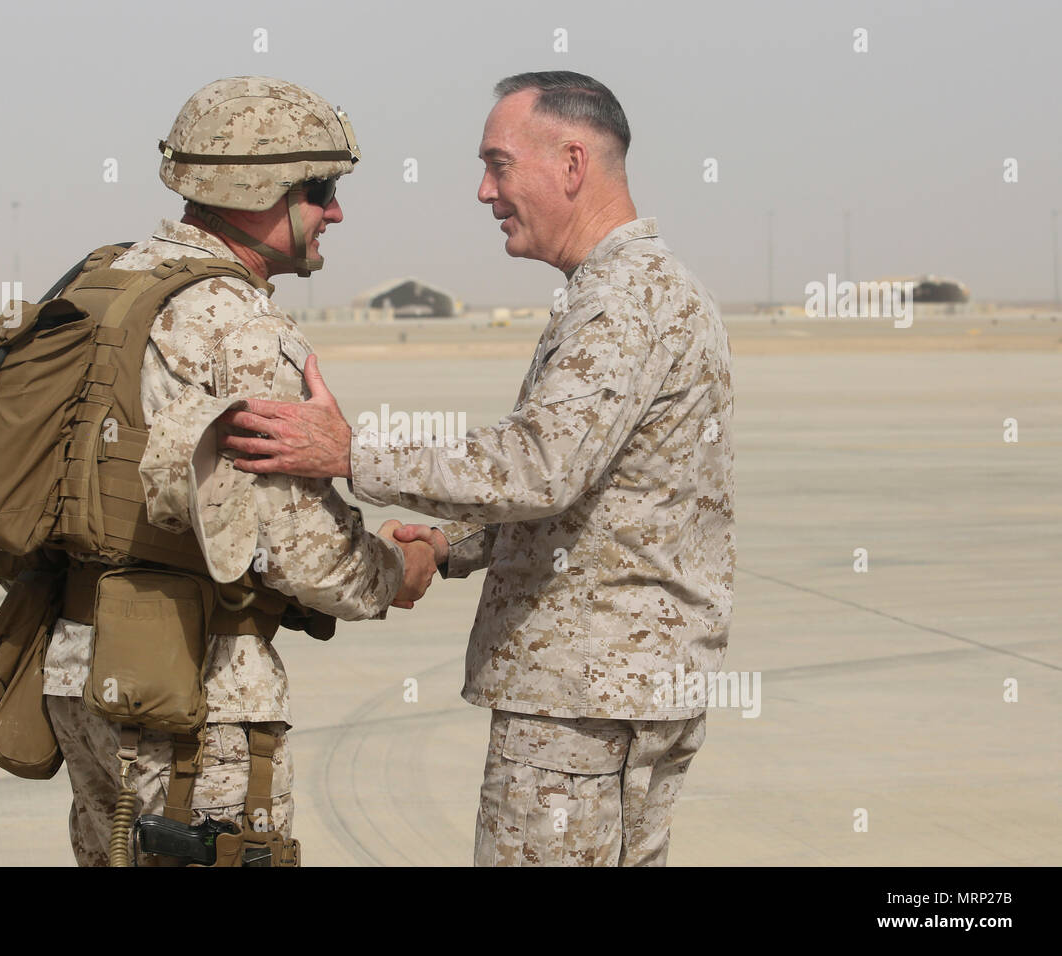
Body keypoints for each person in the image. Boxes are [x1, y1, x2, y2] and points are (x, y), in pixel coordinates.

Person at [219, 71, 735, 867]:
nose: (483, 190)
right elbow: (586, 489)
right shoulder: (636, 291)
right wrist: (447, 544)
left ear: (570, 164)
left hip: (583, 700)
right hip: (617, 689)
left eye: (498, 165)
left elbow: (539, 466)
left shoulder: (624, 301)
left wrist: (350, 452)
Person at [41, 75, 438, 866]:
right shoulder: (237, 325)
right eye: (320, 189)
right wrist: (399, 566)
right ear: (258, 189)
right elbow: (300, 552)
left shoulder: (104, 285)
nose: (336, 211)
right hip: (192, 698)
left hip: (75, 672)